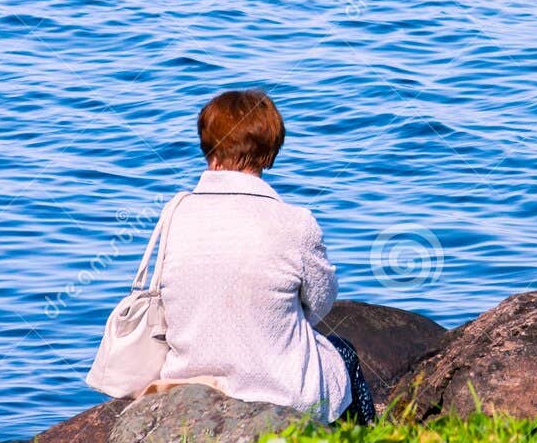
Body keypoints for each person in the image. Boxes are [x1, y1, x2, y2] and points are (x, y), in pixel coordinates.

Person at [150, 88, 375, 424]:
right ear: (270, 152)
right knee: (343, 355)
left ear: (207, 146)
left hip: (188, 381)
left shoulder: (175, 213)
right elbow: (320, 302)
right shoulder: (295, 223)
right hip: (277, 390)